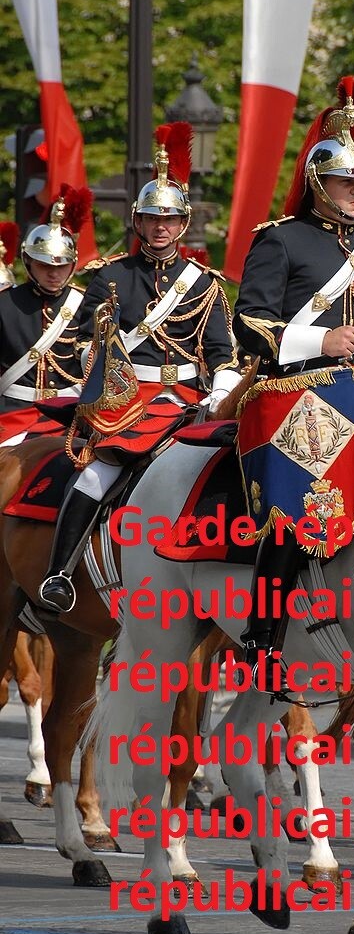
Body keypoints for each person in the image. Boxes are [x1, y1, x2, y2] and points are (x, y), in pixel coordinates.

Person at [233, 76, 354, 687]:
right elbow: (250, 323)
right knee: (299, 501)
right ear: (318, 183)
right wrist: (320, 342)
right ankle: (262, 634)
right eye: (344, 182)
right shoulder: (280, 240)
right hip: (299, 393)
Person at [37, 123, 238, 614]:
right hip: (128, 404)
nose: (161, 227)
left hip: (190, 401)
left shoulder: (204, 285)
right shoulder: (109, 276)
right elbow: (81, 341)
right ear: (138, 221)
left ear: (183, 224)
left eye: (169, 218)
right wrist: (99, 365)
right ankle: (59, 575)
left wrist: (223, 386)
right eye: (152, 218)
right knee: (97, 474)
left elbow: (221, 351)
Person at [0, 194, 86, 446]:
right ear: (27, 262)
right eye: (45, 265)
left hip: (70, 416)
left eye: (61, 266)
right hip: (15, 415)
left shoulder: (86, 306)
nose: (54, 273)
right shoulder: (5, 304)